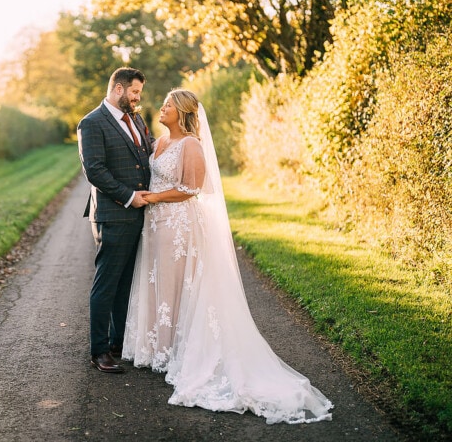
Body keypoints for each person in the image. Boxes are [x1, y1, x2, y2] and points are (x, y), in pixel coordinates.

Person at [123, 89, 333, 423]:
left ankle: (179, 352)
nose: (161, 108)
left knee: (179, 285)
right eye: (163, 104)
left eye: (168, 105)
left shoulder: (191, 145)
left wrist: (154, 198)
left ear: (182, 112)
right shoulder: (159, 142)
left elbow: (191, 188)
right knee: (158, 282)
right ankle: (159, 349)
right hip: (155, 225)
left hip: (178, 224)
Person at [77, 67, 154, 373]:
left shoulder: (137, 119)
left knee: (126, 283)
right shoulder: (92, 123)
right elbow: (94, 170)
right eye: (134, 92)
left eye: (139, 93)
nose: (137, 98)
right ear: (119, 89)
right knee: (107, 283)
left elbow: (148, 153)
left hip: (138, 214)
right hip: (112, 214)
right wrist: (129, 196)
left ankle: (118, 342)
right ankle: (99, 351)